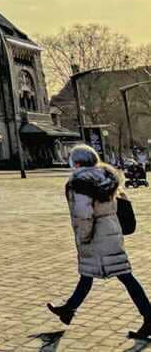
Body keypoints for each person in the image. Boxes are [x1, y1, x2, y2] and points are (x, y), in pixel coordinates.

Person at [48, 144, 151, 339]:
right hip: (111, 232)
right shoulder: (106, 177)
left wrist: (83, 237)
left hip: (95, 236)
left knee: (123, 276)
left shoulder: (79, 182)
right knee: (93, 274)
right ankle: (69, 309)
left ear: (76, 162)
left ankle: (149, 316)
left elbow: (84, 215)